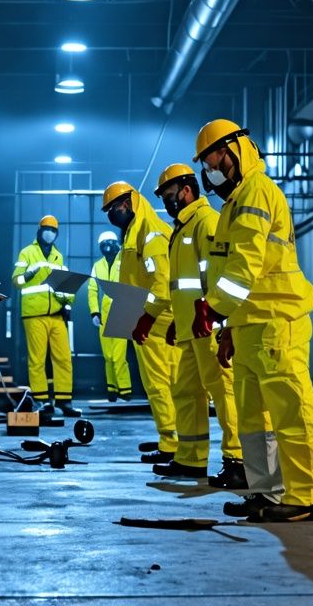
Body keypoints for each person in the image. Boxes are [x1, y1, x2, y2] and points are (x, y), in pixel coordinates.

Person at [191, 118, 313, 523]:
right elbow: (230, 270)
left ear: (236, 149)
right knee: (255, 420)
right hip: (251, 325)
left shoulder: (257, 192)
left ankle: (308, 497)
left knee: (292, 412)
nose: (210, 169)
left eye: (213, 158)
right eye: (205, 163)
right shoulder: (234, 203)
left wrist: (215, 310)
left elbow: (246, 265)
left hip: (276, 320)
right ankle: (267, 494)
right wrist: (230, 329)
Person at [151, 164, 245, 489]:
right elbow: (182, 285)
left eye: (168, 194)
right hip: (190, 327)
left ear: (186, 190)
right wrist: (178, 321)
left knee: (223, 391)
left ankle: (238, 460)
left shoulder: (206, 223)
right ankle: (191, 460)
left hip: (208, 326)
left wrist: (219, 318)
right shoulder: (182, 227)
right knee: (186, 392)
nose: (166, 201)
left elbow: (217, 275)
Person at [101, 181, 178, 464]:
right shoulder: (135, 233)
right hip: (148, 317)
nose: (113, 213)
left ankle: (172, 442)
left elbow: (160, 283)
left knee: (160, 384)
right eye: (109, 209)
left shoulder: (150, 234)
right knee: (165, 384)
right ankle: (171, 438)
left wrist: (147, 317)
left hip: (155, 321)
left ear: (129, 203)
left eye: (115, 207)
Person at [12, 215, 79, 417]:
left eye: (53, 230)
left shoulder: (58, 256)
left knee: (63, 358)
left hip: (57, 315)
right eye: (46, 229)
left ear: (56, 234)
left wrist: (68, 304)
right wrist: (29, 274)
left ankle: (64, 401)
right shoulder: (27, 252)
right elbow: (17, 281)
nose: (49, 232)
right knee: (37, 360)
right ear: (39, 231)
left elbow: (65, 286)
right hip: (34, 314)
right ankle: (42, 402)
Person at [87, 230, 132, 402]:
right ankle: (112, 389)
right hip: (105, 311)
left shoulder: (125, 259)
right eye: (103, 243)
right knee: (108, 355)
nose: (107, 246)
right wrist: (94, 312)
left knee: (118, 355)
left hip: (122, 309)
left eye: (110, 242)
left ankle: (125, 390)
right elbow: (92, 289)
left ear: (116, 244)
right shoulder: (97, 266)